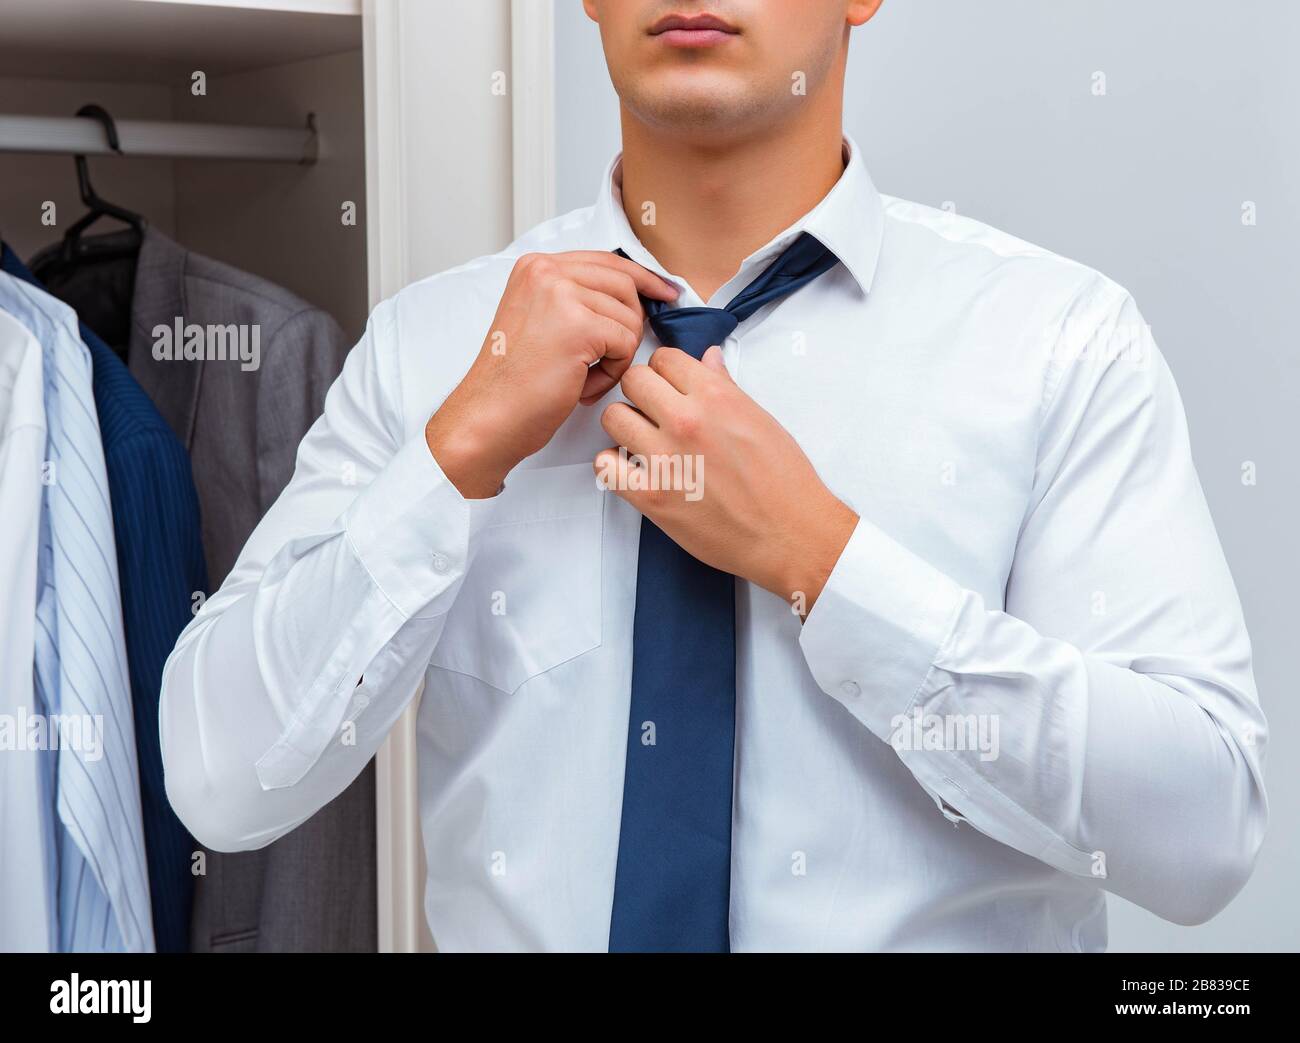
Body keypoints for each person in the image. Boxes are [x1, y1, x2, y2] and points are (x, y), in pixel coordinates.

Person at [160, 0, 1267, 952]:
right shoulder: (431, 348)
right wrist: (457, 451)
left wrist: (822, 560)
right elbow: (218, 780)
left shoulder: (1055, 341)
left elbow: (1200, 833)